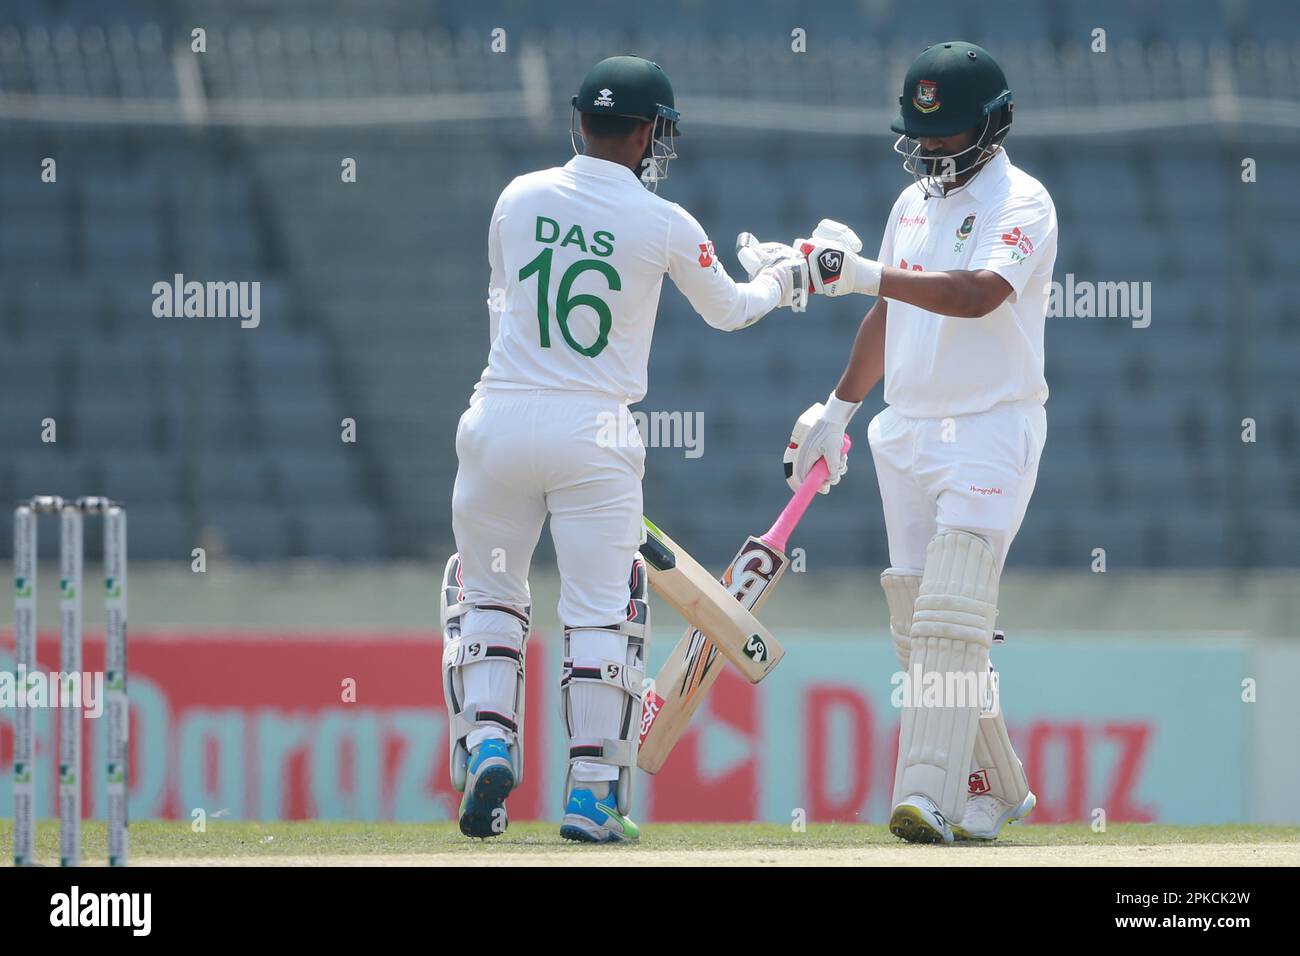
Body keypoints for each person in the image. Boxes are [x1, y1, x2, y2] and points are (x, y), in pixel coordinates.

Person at [441, 55, 806, 843]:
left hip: (498, 413)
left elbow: (502, 306)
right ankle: (592, 795)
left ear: (579, 121)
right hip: (595, 432)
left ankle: (492, 741)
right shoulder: (662, 220)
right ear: (645, 133)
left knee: (488, 597)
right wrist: (786, 274)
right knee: (602, 614)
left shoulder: (517, 196)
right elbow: (734, 311)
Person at [784, 41, 1057, 843]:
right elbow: (887, 314)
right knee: (924, 629)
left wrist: (866, 273)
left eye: (948, 133)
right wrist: (836, 411)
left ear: (994, 124)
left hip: (991, 425)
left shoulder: (1024, 202)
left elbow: (976, 297)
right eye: (921, 132)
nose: (931, 147)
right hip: (904, 429)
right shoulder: (911, 204)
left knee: (950, 616)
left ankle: (924, 798)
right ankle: (996, 784)